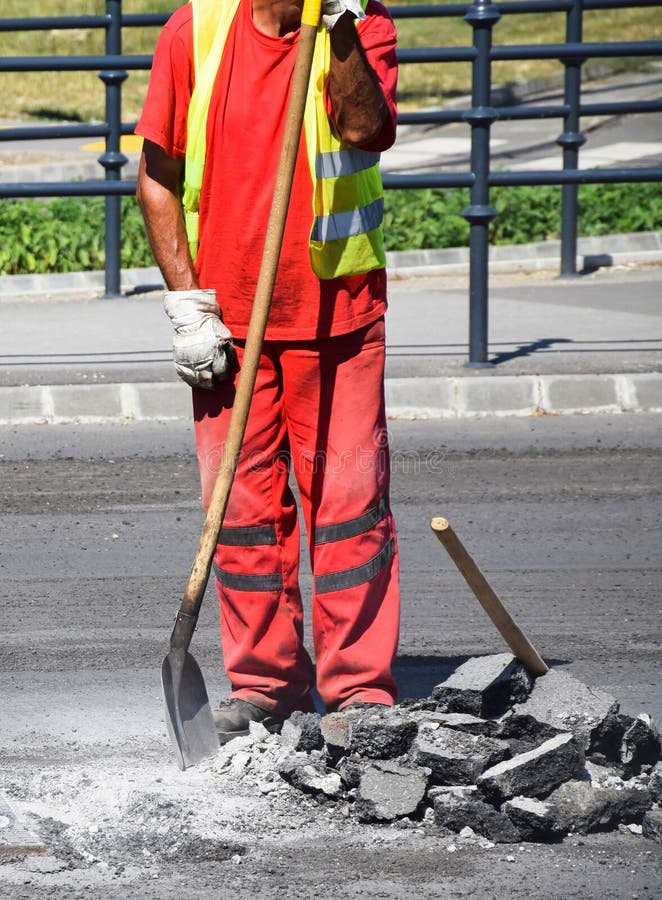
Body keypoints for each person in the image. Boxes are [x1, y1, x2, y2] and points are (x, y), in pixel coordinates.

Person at [136, 0, 400, 743]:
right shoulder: (199, 28)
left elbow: (364, 132)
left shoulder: (363, 23)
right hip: (230, 330)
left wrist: (341, 27)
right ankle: (265, 686)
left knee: (349, 508)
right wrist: (186, 300)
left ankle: (359, 696)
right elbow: (157, 176)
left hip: (337, 318)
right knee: (244, 519)